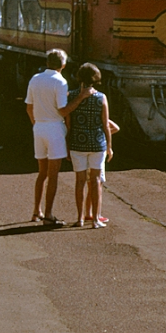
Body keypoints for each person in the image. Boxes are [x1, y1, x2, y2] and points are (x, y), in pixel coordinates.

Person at [25, 49, 92, 226]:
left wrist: (36, 124)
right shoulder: (60, 82)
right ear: (63, 64)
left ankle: (36, 211)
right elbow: (63, 110)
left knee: (42, 173)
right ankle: (48, 215)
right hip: (54, 129)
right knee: (53, 175)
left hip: (38, 128)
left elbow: (28, 107)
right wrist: (80, 97)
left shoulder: (35, 79)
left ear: (47, 62)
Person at [66, 63, 113, 228]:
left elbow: (68, 125)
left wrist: (67, 145)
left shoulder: (71, 95)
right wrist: (109, 146)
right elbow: (106, 124)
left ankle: (79, 219)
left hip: (77, 144)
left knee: (80, 182)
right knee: (95, 181)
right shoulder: (101, 97)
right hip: (97, 144)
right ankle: (95, 220)